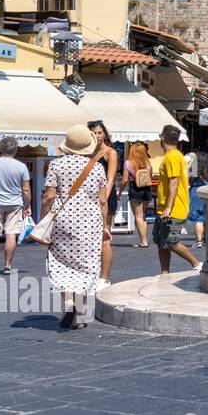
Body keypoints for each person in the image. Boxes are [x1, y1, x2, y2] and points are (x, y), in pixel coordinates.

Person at [39, 125, 108, 330]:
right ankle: (79, 315)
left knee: (61, 263)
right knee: (86, 266)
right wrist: (105, 226)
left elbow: (49, 196)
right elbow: (102, 200)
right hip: (90, 222)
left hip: (63, 221)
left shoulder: (56, 166)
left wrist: (42, 218)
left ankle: (68, 302)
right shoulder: (96, 167)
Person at [153, 124, 201, 275]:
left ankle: (196, 263)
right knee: (161, 242)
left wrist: (168, 207)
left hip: (173, 208)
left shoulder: (173, 156)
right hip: (165, 207)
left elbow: (174, 181)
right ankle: (164, 272)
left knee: (170, 241)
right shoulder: (173, 155)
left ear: (162, 138)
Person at [88, 120, 119, 290]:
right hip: (88, 199)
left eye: (100, 132)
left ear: (104, 134)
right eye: (94, 133)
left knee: (104, 237)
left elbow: (111, 178)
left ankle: (105, 278)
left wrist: (103, 201)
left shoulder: (110, 152)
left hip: (105, 198)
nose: (97, 136)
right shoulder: (87, 153)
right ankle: (93, 273)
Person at [0, 137, 31, 274]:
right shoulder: (21, 166)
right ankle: (7, 266)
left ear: (0, 148)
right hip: (14, 204)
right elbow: (26, 189)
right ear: (15, 150)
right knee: (11, 234)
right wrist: (28, 206)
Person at [122, 141, 154, 248]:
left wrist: (120, 192)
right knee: (142, 215)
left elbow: (125, 180)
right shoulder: (148, 163)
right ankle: (144, 239)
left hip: (135, 189)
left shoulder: (128, 163)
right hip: (147, 189)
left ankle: (143, 241)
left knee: (138, 216)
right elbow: (151, 175)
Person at [188, 151, 208, 248]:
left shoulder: (193, 170)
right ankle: (206, 238)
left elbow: (188, 179)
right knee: (206, 217)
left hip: (195, 192)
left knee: (198, 218)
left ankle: (199, 240)